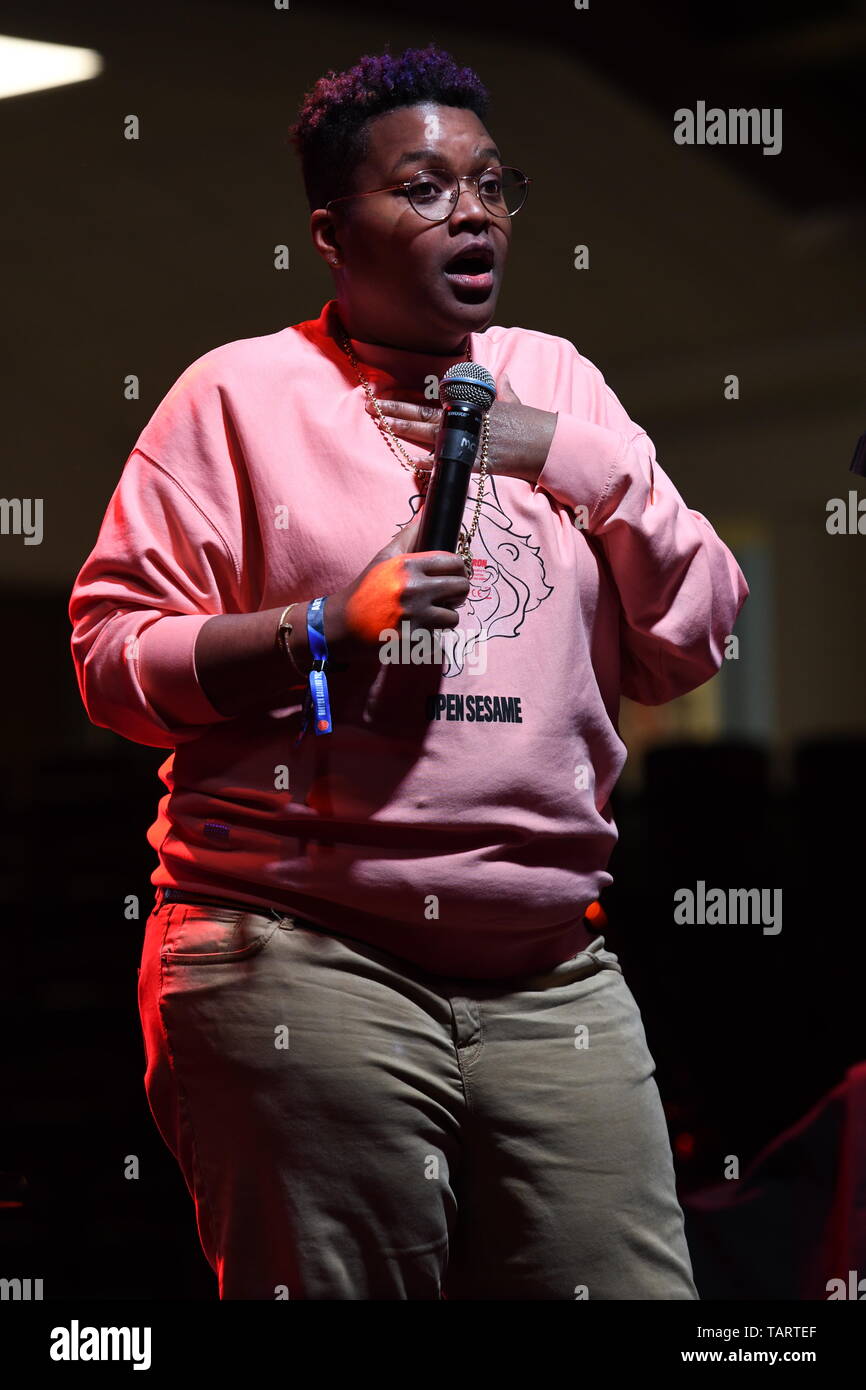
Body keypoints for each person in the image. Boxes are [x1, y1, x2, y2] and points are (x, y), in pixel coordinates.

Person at [68, 43, 748, 1300]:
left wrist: (583, 461)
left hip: (552, 967)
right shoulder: (236, 395)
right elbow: (113, 664)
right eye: (425, 188)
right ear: (333, 233)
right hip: (302, 954)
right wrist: (319, 627)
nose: (473, 211)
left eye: (490, 184)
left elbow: (695, 636)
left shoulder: (556, 381)